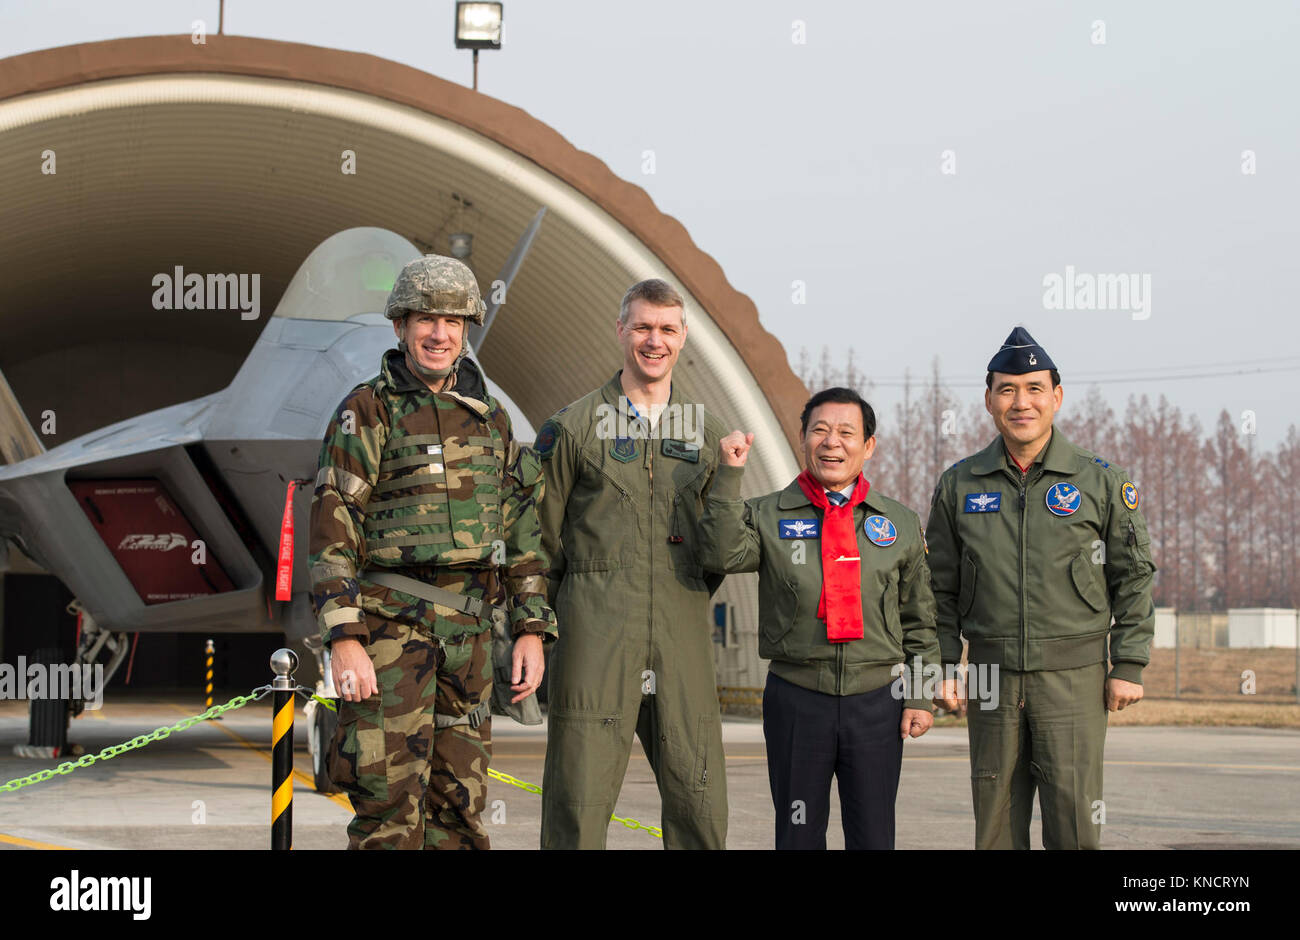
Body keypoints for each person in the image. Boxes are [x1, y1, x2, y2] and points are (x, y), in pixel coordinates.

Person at [307, 254, 556, 850]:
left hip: (468, 638)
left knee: (461, 813)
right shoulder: (366, 410)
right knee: (386, 814)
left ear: (467, 329)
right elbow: (334, 526)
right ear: (400, 326)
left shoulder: (490, 419)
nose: (439, 334)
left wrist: (529, 630)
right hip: (390, 633)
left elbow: (521, 530)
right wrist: (345, 639)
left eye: (452, 321)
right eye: (425, 319)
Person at [926, 326, 1155, 850]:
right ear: (988, 400)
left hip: (1074, 677)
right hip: (989, 674)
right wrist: (940, 668)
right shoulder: (959, 484)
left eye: (1033, 388)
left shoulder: (1100, 482)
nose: (1020, 402)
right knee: (996, 823)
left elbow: (1134, 575)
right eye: (1007, 389)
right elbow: (935, 590)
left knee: (1073, 822)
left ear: (1057, 396)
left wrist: (1129, 663)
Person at [696, 387, 940, 849]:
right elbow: (721, 553)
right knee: (798, 834)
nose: (832, 443)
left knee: (873, 835)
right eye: (820, 431)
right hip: (796, 699)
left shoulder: (900, 524)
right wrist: (729, 478)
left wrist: (921, 696)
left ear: (868, 445)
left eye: (847, 433)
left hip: (877, 702)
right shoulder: (766, 514)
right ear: (802, 438)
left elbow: (920, 621)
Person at [534, 278, 730, 849]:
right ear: (620, 330)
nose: (654, 340)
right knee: (578, 800)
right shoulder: (571, 428)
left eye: (667, 329)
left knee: (700, 799)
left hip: (681, 633)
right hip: (594, 631)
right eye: (643, 326)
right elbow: (537, 543)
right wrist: (534, 631)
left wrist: (685, 589)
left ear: (684, 336)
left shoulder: (707, 434)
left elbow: (721, 542)